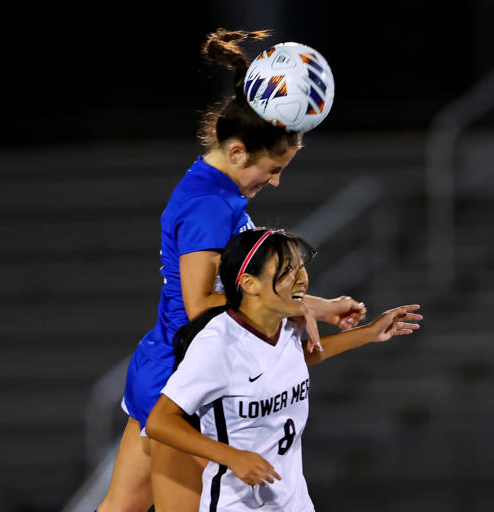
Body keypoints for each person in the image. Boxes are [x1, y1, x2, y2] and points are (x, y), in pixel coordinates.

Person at [97, 29, 367, 512]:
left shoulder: (214, 188)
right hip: (185, 381)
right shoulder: (211, 208)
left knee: (118, 508)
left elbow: (241, 292)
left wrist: (313, 307)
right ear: (238, 152)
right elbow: (203, 303)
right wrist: (297, 308)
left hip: (163, 363)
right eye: (271, 168)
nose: (276, 180)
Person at [145, 228, 423, 511]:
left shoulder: (285, 324)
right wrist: (232, 456)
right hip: (238, 504)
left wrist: (369, 333)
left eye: (301, 267)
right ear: (250, 284)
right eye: (288, 269)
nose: (302, 278)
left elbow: (290, 360)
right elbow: (160, 422)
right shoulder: (218, 345)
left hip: (294, 502)